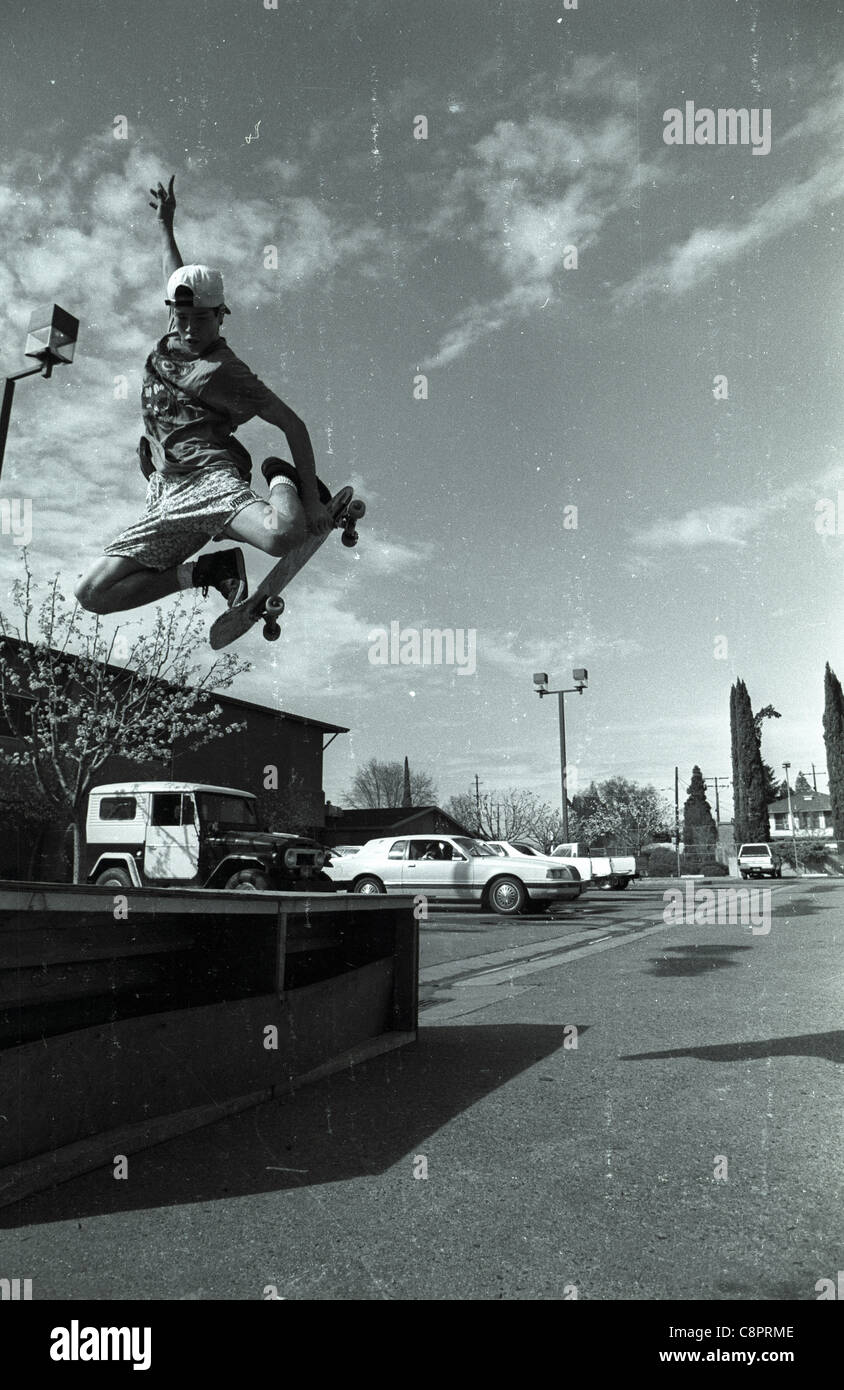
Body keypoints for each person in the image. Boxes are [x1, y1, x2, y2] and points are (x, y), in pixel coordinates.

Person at [75, 174, 333, 615]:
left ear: (221, 315)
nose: (190, 330)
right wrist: (164, 224)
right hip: (166, 491)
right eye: (182, 318)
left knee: (280, 537)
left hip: (209, 479)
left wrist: (309, 498)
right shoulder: (173, 335)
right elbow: (171, 272)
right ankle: (210, 571)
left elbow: (294, 424)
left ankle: (280, 478)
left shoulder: (224, 369)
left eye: (201, 320)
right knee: (92, 595)